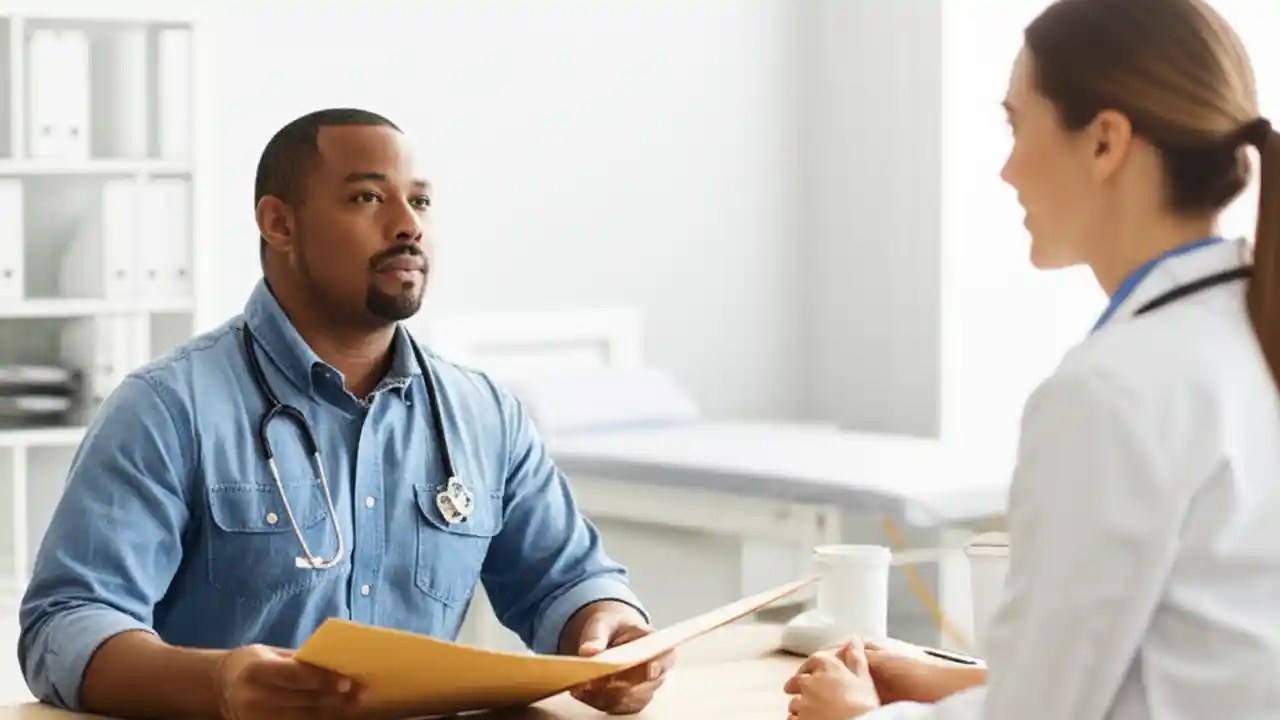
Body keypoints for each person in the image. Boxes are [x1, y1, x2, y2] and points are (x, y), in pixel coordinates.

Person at [17, 108, 672, 719]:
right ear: (279, 223)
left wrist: (604, 628)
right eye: (367, 197)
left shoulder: (484, 415)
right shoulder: (166, 407)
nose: (408, 225)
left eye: (419, 201)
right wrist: (215, 685)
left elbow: (570, 582)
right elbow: (67, 624)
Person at [784, 0, 1280, 717]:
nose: (1008, 170)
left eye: (1016, 125)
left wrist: (859, 716)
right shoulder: (1243, 340)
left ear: (1105, 142)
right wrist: (957, 684)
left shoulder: (1113, 392)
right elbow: (1193, 658)